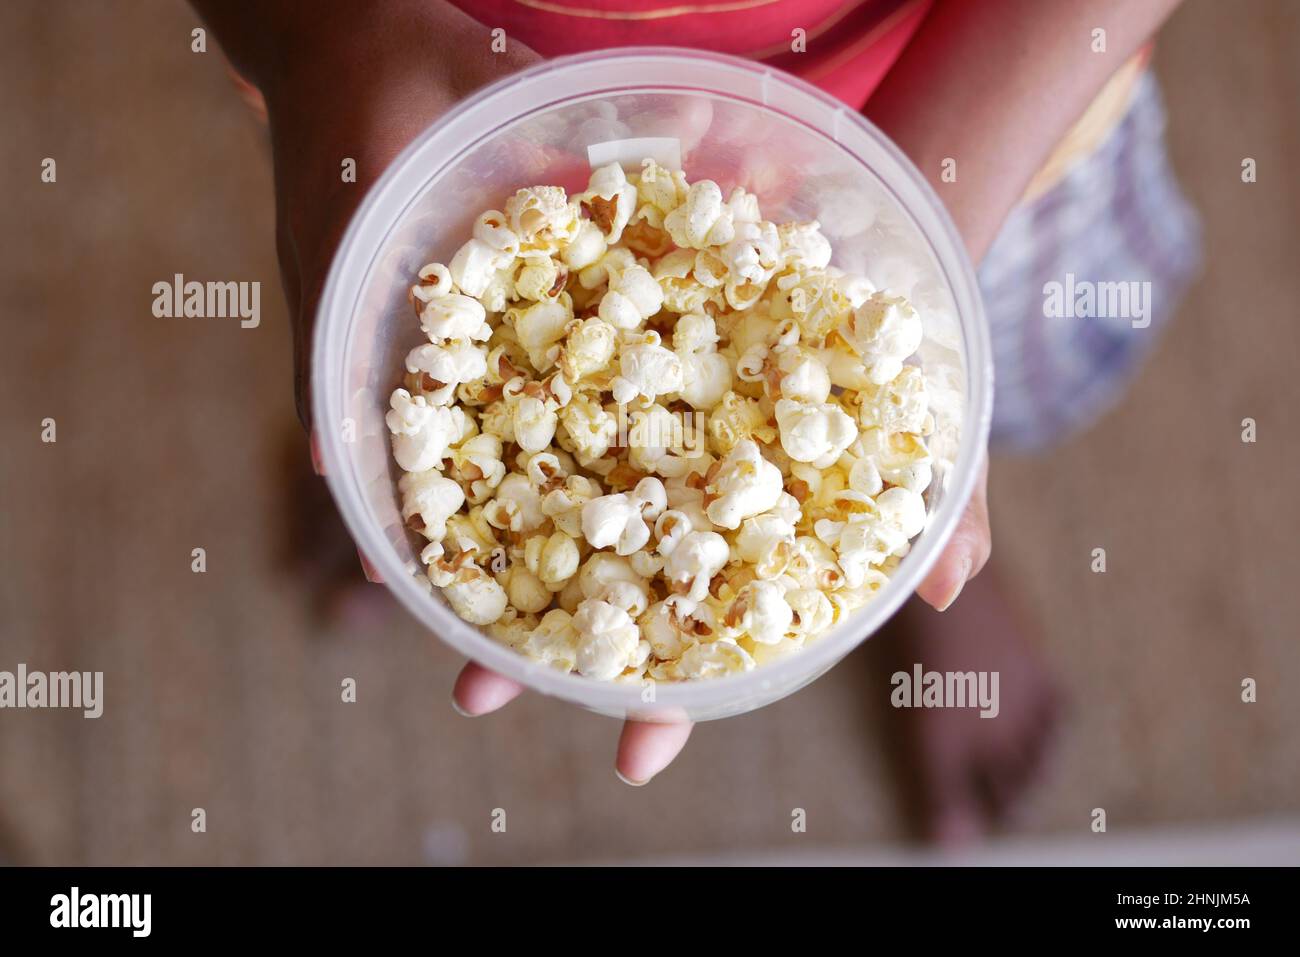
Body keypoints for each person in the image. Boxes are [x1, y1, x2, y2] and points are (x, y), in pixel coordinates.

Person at [192, 0, 1199, 839]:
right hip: (444, 113)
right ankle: (407, 448)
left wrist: (921, 222)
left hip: (987, 113)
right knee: (372, 309)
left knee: (954, 368)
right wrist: (323, 40)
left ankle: (917, 573)